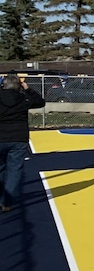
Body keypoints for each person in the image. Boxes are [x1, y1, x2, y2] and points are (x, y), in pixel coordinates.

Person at [0, 74, 45, 212]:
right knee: (14, 170)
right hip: (19, 137)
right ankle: (7, 202)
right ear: (19, 86)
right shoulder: (23, 98)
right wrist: (28, 89)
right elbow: (40, 101)